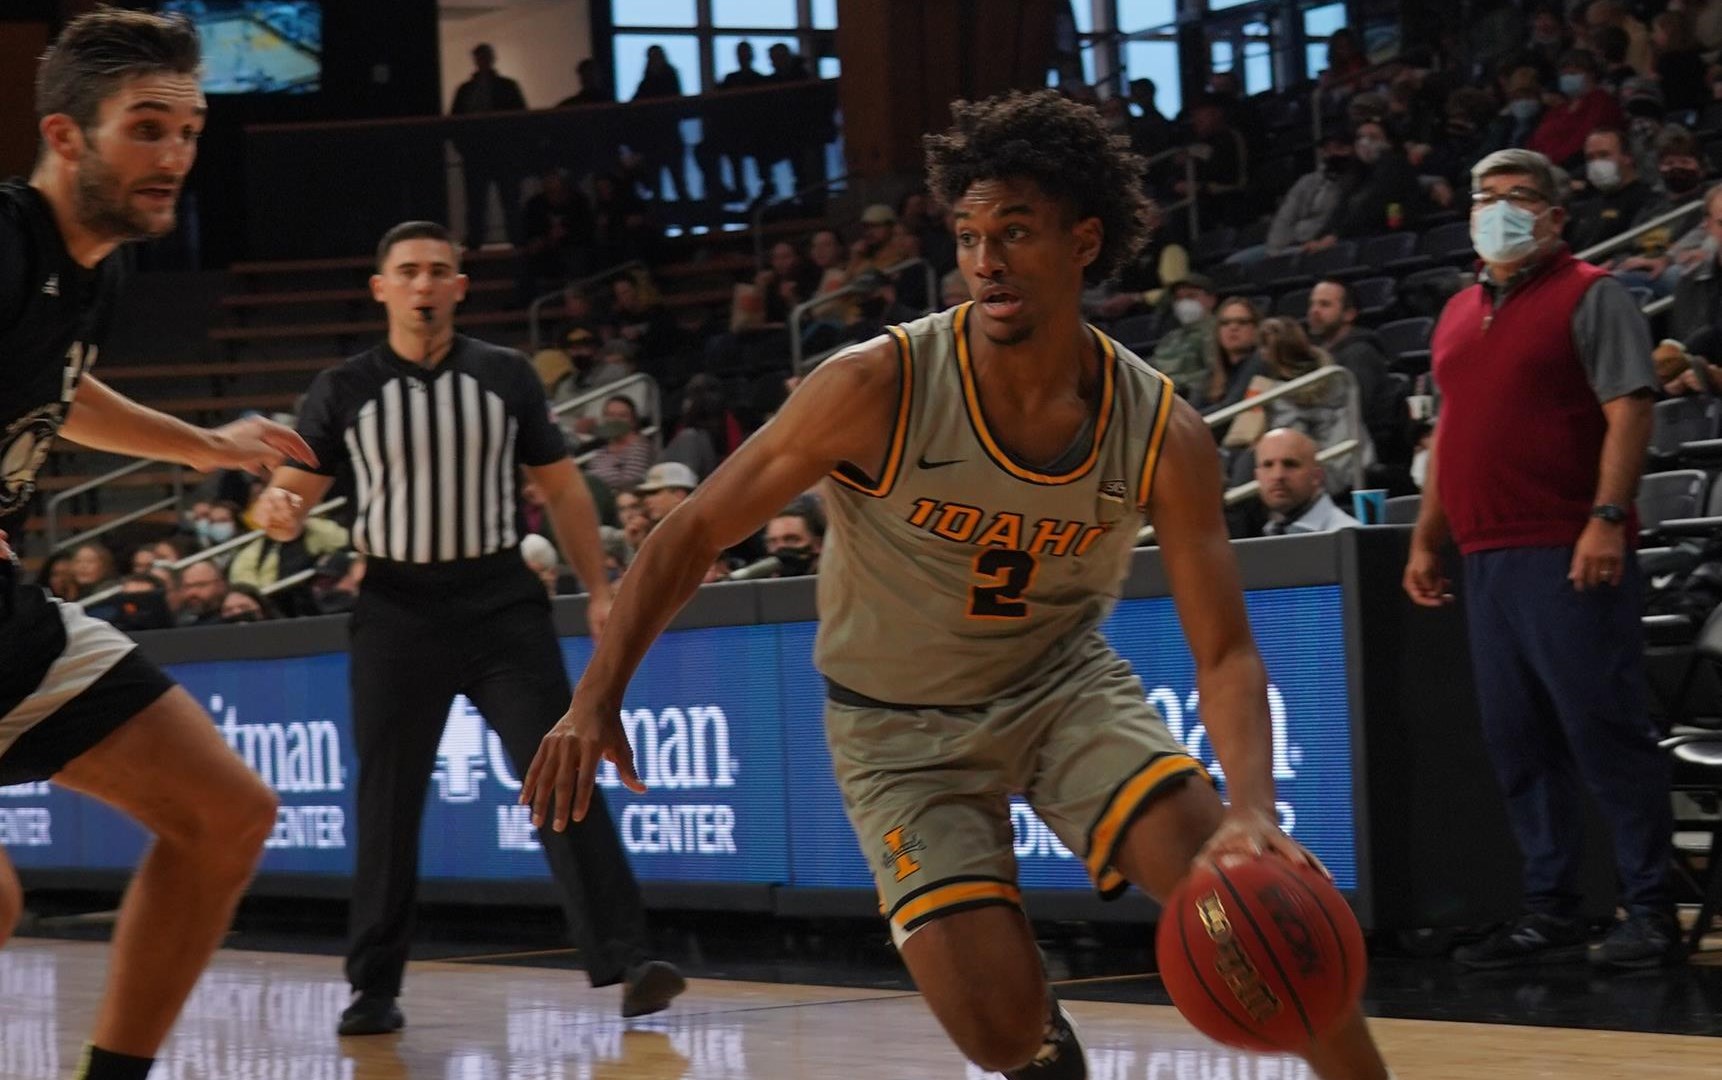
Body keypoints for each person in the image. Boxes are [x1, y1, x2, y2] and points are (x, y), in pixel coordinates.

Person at [519, 89, 1391, 1080]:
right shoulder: (874, 385)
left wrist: (1255, 808)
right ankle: (1045, 1044)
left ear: (1082, 240)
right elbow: (692, 530)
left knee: (1265, 916)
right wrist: (595, 695)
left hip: (1060, 688)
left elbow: (1224, 648)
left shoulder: (1160, 430)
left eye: (1015, 232)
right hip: (895, 727)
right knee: (999, 1032)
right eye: (971, 234)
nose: (985, 260)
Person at [251, 220, 683, 1037]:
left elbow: (561, 490)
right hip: (394, 608)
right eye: (408, 271)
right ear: (381, 288)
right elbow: (288, 499)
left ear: (459, 286)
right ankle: (373, 987)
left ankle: (631, 962)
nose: (423, 284)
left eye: (438, 271)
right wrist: (274, 510)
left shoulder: (505, 374)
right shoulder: (342, 387)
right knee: (386, 801)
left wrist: (599, 589)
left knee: (564, 772)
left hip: (498, 602)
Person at [0, 12, 318, 1080]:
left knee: (226, 814)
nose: (176, 155)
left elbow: (60, 388)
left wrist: (200, 447)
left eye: (189, 129)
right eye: (148, 128)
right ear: (67, 133)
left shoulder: (93, 270)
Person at [1406, 148, 1677, 969]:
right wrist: (1426, 536)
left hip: (1567, 546)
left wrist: (1606, 517)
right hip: (1486, 555)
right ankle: (1553, 907)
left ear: (1556, 216)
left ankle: (1653, 911)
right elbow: (1450, 435)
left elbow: (1630, 409)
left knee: (1605, 731)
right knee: (1518, 740)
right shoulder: (1455, 313)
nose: (1500, 211)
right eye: (1486, 198)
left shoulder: (1592, 295)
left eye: (1519, 198)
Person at [448, 44, 528, 248]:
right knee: (479, 202)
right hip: (482, 154)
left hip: (498, 153)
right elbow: (455, 123)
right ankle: (480, 240)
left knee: (505, 200)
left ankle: (514, 238)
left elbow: (521, 120)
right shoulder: (474, 89)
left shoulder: (495, 88)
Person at [1253, 428, 1360, 535]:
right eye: (1268, 465)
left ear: (1317, 476)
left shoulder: (1351, 539)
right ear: (1257, 476)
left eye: (1290, 464)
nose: (1278, 475)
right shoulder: (1269, 532)